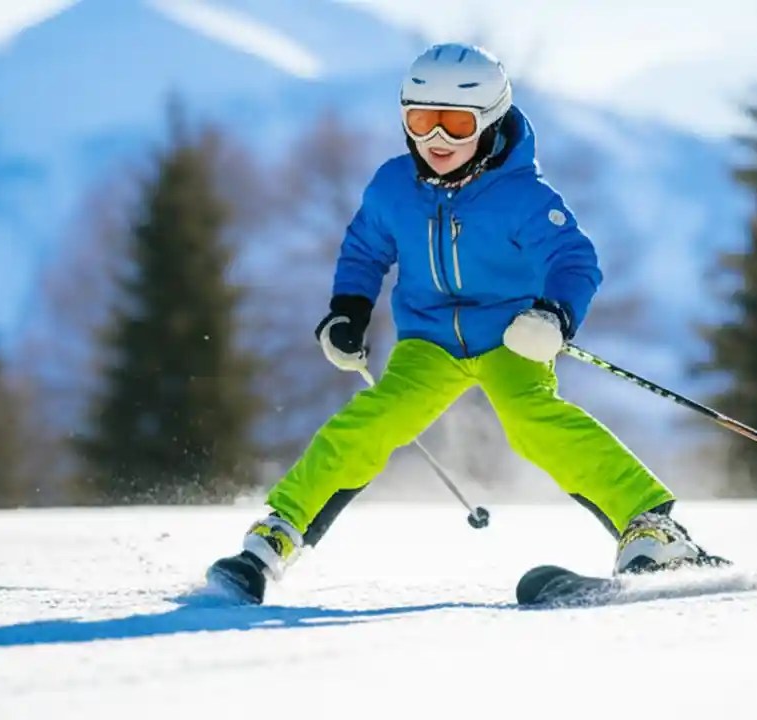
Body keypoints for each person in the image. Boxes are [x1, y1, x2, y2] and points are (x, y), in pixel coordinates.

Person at [208, 43, 722, 603]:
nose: (437, 139)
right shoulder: (392, 187)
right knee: (371, 421)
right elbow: (364, 249)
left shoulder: (523, 196)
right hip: (427, 341)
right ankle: (275, 536)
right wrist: (348, 310)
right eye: (422, 120)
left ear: (491, 121)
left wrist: (554, 315)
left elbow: (574, 260)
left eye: (456, 123)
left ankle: (652, 526)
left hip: (511, 339)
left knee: (533, 420)